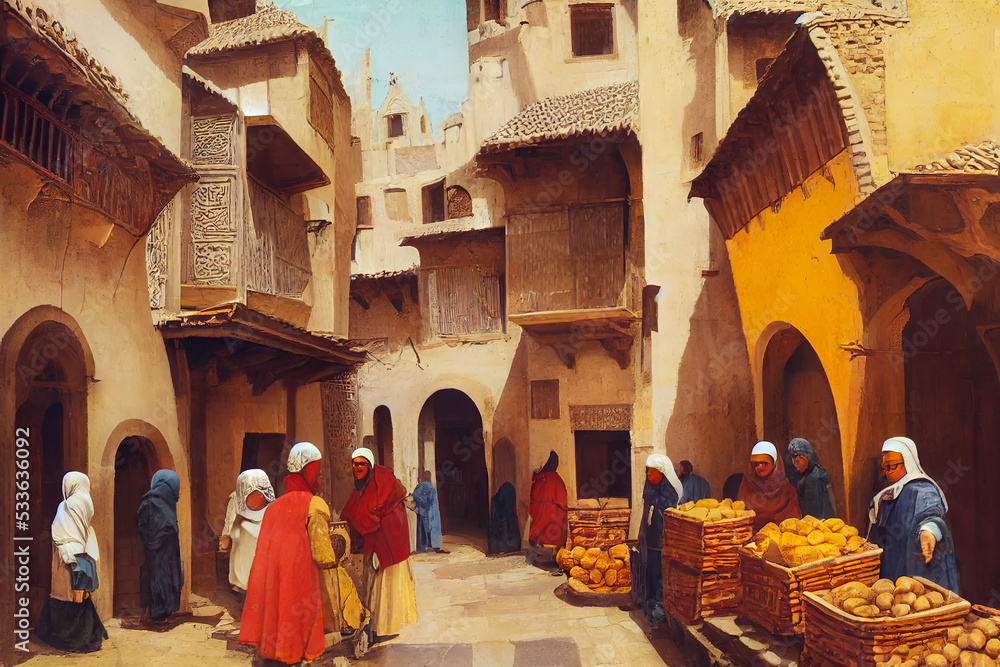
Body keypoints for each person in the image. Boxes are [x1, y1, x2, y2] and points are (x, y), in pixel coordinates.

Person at [241, 442, 365, 664]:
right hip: (301, 577)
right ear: (308, 470)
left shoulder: (274, 507)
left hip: (275, 579)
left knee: (279, 615)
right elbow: (323, 554)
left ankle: (276, 653)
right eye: (316, 469)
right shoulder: (313, 503)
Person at [341, 447, 416, 642]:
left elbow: (377, 515)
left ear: (370, 465)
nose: (357, 467)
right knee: (373, 588)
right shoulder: (363, 485)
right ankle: (375, 628)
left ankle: (382, 629)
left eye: (362, 464)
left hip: (388, 545)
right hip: (375, 544)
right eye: (354, 463)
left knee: (385, 588)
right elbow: (354, 511)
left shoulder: (382, 483)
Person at [867, 437, 959, 593]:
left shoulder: (922, 489)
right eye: (884, 467)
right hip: (893, 562)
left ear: (908, 462)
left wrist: (929, 532)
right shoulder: (890, 490)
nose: (887, 472)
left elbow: (932, 514)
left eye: (891, 466)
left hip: (916, 563)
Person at [35, 472, 108, 652]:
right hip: (84, 552)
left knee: (65, 595)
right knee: (81, 595)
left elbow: (60, 532)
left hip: (68, 554)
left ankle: (69, 639)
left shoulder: (67, 505)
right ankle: (87, 636)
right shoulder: (86, 501)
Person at [637, 454, 683, 622]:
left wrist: (655, 499)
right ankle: (648, 602)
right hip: (649, 537)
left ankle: (660, 607)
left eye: (652, 472)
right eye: (647, 472)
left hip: (664, 540)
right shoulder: (649, 485)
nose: (648, 476)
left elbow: (669, 509)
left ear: (662, 473)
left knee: (660, 576)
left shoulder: (672, 489)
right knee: (649, 572)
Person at [137, 469, 183, 623]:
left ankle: (166, 611)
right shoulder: (150, 503)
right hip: (157, 549)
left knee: (171, 576)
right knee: (159, 577)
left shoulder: (168, 503)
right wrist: (157, 538)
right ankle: (158, 612)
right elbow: (143, 524)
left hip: (169, 549)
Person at [219, 469, 274, 593]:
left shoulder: (268, 501)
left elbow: (229, 525)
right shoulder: (235, 498)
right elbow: (229, 523)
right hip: (245, 546)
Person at [737, 441, 801, 532]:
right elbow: (740, 521)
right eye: (756, 464)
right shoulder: (747, 485)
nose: (760, 467)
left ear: (775, 463)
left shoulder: (786, 490)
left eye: (765, 463)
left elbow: (794, 524)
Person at [526, 451, 568, 570]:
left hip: (540, 509)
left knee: (538, 530)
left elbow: (532, 492)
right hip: (553, 509)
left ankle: (539, 551)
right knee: (551, 532)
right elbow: (562, 495)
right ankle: (549, 555)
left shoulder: (540, 477)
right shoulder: (555, 477)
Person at [787, 438, 837, 520]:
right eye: (793, 460)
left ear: (806, 458)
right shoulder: (805, 474)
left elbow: (813, 514)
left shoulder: (812, 479)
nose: (795, 465)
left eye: (798, 461)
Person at [411, 471, 447, 554]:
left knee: (424, 530)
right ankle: (434, 546)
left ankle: (424, 547)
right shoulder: (431, 486)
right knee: (432, 529)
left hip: (425, 512)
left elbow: (417, 497)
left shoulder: (422, 486)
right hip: (432, 512)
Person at [488, 482, 521, 555]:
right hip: (505, 521)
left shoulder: (496, 500)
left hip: (503, 521)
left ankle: (501, 548)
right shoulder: (505, 502)